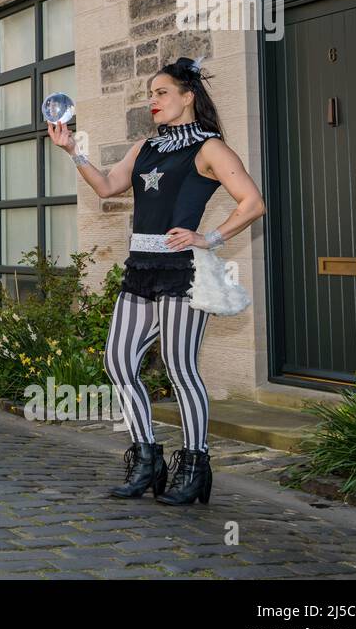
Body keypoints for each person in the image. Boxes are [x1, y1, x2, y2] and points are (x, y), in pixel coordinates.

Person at [49, 57, 265, 505]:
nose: (153, 100)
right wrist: (73, 150)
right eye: (151, 94)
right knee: (118, 361)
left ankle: (195, 465)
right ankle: (147, 459)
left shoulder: (210, 148)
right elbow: (107, 187)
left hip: (182, 271)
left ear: (188, 96)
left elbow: (252, 203)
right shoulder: (145, 147)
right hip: (141, 269)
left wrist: (208, 237)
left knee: (180, 367)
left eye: (162, 92)